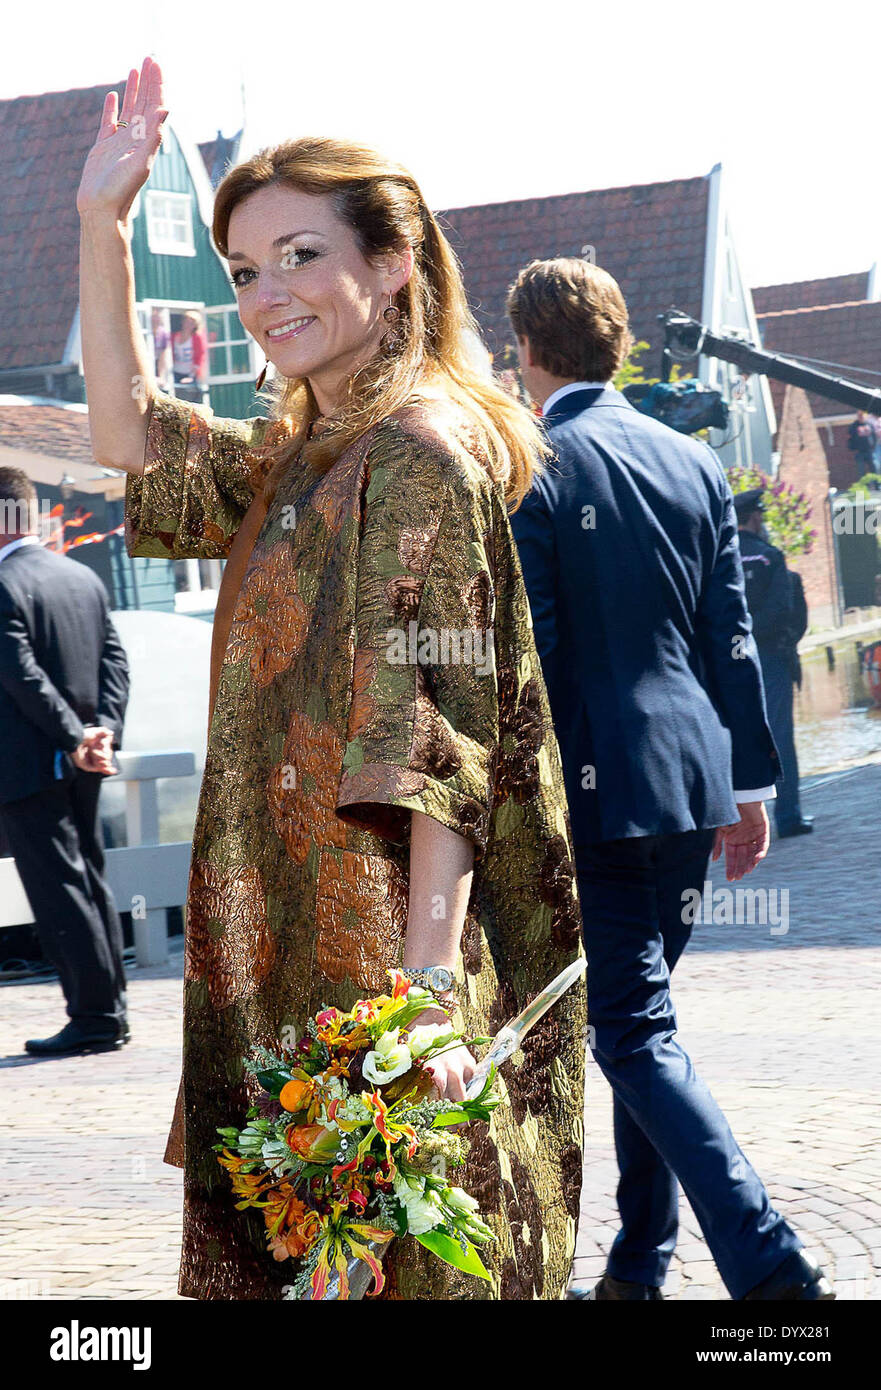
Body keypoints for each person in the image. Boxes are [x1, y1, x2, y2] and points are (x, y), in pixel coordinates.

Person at [76, 56, 587, 1301]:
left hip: (372, 981)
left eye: (300, 256)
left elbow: (432, 742)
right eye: (246, 271)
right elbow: (123, 437)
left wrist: (415, 1004)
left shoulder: (412, 450)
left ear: (394, 262)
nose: (264, 296)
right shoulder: (304, 453)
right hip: (286, 961)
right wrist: (104, 224)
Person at [507, 256, 834, 1302]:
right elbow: (729, 642)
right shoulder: (688, 465)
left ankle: (769, 1261)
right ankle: (637, 1265)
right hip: (688, 786)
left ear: (523, 352)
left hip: (597, 792)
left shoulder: (534, 463)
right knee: (638, 1032)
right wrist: (747, 788)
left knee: (632, 1033)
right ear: (614, 345)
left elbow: (539, 656)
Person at [0, 467, 130, 1055]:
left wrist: (73, 736)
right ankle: (111, 1012)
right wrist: (102, 732)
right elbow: (114, 662)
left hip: (31, 763)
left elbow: (21, 675)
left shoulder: (4, 585)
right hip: (84, 762)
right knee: (91, 880)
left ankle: (94, 1018)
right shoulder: (81, 577)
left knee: (59, 891)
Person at [735, 489, 813, 838]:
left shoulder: (718, 558)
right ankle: (788, 817)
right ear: (755, 517)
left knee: (730, 740)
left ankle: (730, 822)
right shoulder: (769, 558)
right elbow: (782, 609)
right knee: (779, 737)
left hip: (725, 660)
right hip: (767, 657)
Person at [171, 310, 208, 400]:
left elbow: (200, 357)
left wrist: (190, 377)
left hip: (190, 373)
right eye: (187, 321)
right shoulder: (174, 336)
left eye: (192, 323)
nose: (188, 324)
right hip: (175, 371)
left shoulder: (197, 338)